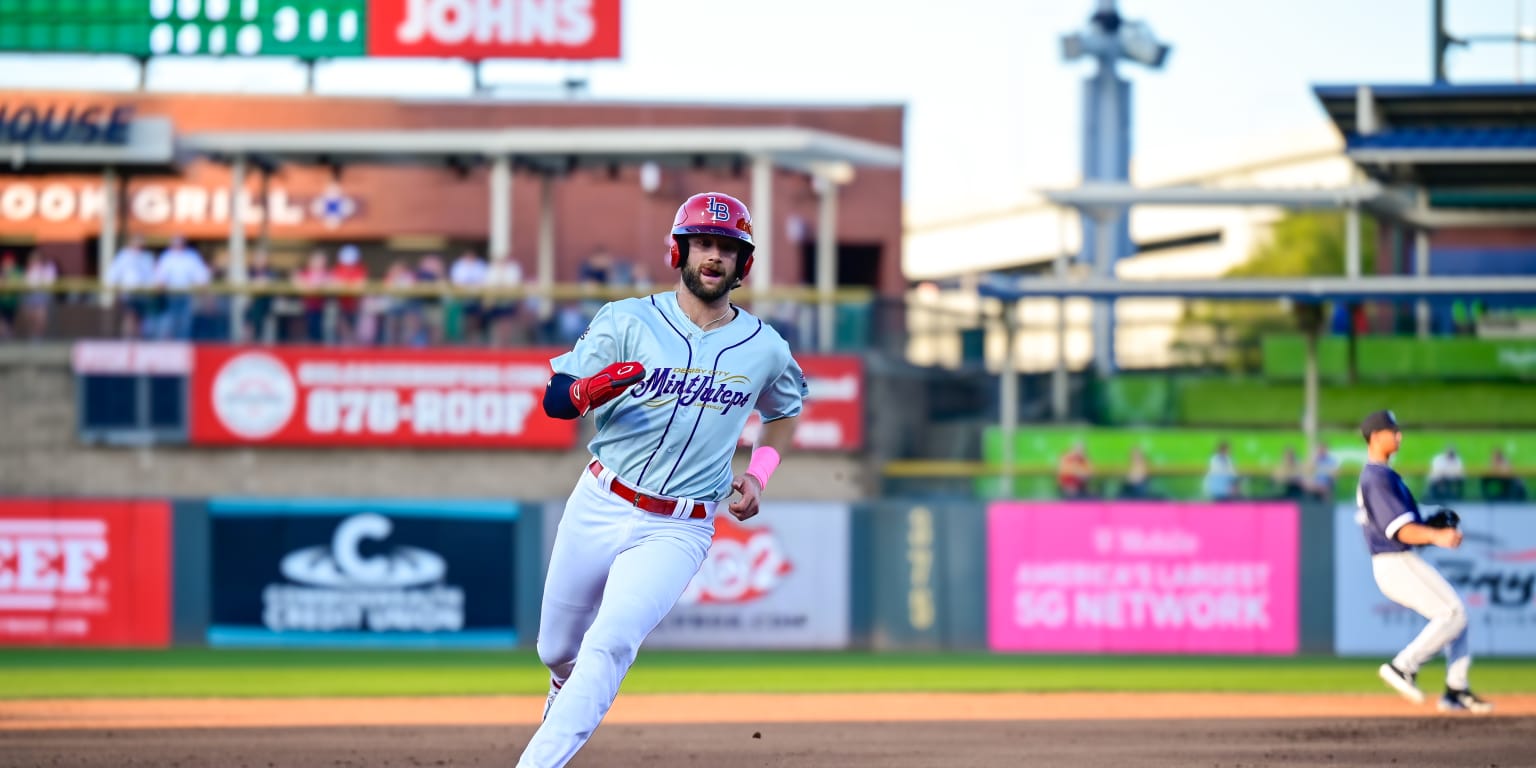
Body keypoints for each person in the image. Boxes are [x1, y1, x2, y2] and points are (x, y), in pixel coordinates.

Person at [517, 192, 805, 768]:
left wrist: (760, 474)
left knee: (611, 643)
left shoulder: (764, 348)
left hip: (680, 526)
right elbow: (556, 401)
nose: (714, 257)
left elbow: (785, 410)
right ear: (680, 250)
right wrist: (590, 390)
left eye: (728, 248)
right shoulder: (624, 320)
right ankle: (561, 689)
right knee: (557, 650)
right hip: (600, 499)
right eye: (704, 243)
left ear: (742, 264)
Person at [1356, 409, 1492, 714]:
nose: (1399, 435)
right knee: (1453, 613)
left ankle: (1456, 689)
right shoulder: (1376, 477)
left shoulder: (1385, 475)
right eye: (1393, 431)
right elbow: (1400, 529)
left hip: (1400, 560)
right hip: (1395, 562)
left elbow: (1409, 518)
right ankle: (1403, 666)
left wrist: (1432, 518)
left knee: (1458, 614)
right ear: (1376, 437)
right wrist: (1437, 536)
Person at [152, 234, 210, 340]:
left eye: (180, 244)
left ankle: (182, 341)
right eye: (176, 244)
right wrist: (160, 284)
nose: (178, 246)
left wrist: (202, 284)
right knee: (171, 319)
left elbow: (199, 273)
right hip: (171, 294)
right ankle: (170, 341)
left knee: (185, 320)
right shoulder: (167, 256)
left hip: (186, 293)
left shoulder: (191, 256)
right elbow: (161, 275)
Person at [104, 234, 157, 338]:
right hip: (128, 292)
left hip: (143, 294)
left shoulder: (147, 257)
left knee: (142, 319)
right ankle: (128, 340)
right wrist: (115, 291)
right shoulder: (124, 256)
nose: (138, 246)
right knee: (130, 317)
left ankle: (140, 340)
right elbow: (112, 275)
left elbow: (152, 276)